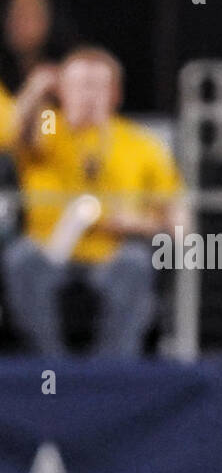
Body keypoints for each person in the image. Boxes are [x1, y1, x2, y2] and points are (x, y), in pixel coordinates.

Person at [2, 47, 185, 356]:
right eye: (78, 85)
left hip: (113, 251)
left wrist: (136, 223)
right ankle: (51, 368)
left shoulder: (141, 144)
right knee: (22, 260)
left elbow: (179, 222)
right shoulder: (50, 128)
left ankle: (110, 372)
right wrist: (36, 89)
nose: (87, 95)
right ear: (62, 90)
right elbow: (9, 135)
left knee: (135, 264)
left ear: (115, 93)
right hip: (49, 250)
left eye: (96, 85)